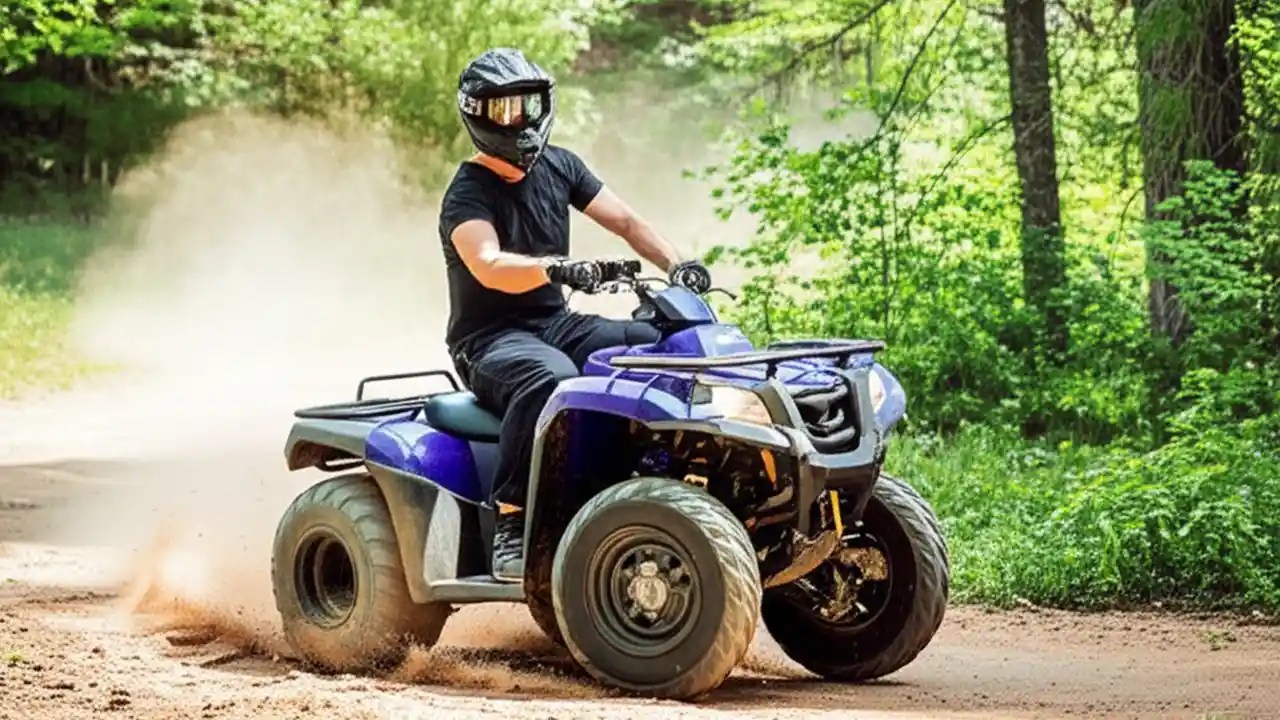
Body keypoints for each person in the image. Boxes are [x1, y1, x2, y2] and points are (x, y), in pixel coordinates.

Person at [438, 47, 709, 581]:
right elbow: (488, 265)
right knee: (551, 380)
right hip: (490, 340)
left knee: (661, 340)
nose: (521, 120)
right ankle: (513, 523)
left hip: (554, 324)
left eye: (529, 105)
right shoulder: (465, 193)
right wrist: (556, 269)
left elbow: (628, 222)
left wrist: (680, 265)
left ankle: (664, 480)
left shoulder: (560, 166)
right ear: (478, 114)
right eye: (505, 110)